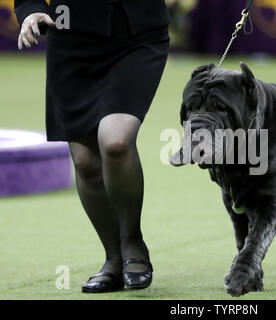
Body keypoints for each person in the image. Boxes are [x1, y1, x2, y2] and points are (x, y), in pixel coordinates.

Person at [14, 0, 170, 293]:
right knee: (85, 161)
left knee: (115, 142)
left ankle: (132, 242)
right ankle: (113, 259)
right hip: (71, 37)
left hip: (137, 32)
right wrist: (31, 8)